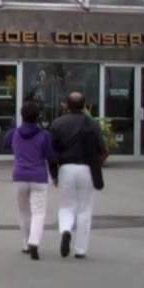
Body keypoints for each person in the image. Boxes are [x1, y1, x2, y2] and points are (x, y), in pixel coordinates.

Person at [47, 92, 105, 259]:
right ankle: (80, 249)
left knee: (66, 205)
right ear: (84, 105)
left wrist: (54, 173)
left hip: (65, 168)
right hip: (86, 168)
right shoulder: (92, 124)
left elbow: (52, 152)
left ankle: (65, 230)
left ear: (67, 105)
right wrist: (96, 165)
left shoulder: (58, 123)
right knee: (85, 208)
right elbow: (102, 149)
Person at [9, 99, 57, 260]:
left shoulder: (14, 133)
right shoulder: (44, 135)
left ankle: (25, 243)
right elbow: (51, 156)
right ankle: (34, 241)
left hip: (19, 176)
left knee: (24, 212)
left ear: (22, 115)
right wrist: (55, 175)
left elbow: (4, 143)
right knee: (38, 212)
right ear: (38, 117)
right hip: (39, 177)